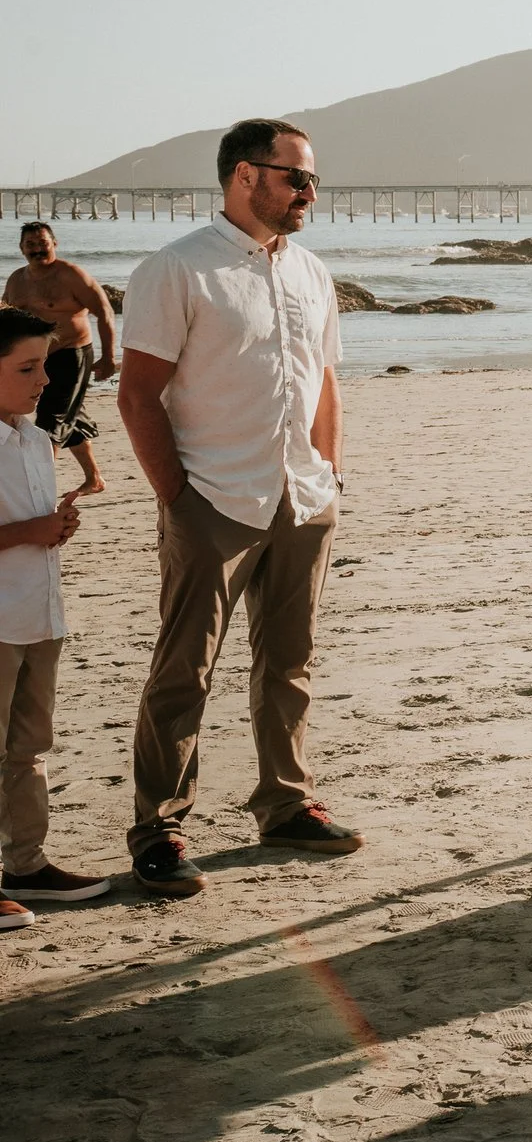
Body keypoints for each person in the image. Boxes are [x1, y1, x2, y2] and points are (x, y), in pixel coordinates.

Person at [117, 119, 359, 898]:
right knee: (184, 669)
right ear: (244, 176)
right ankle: (159, 827)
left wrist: (330, 476)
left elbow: (325, 384)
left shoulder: (313, 273)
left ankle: (284, 803)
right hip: (214, 498)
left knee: (289, 662)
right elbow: (137, 394)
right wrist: (177, 500)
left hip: (302, 495)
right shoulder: (178, 270)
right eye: (296, 178)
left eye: (313, 180)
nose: (309, 194)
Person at [0, 306, 109, 930]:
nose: (45, 380)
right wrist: (30, 530)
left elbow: (33, 530)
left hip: (40, 616)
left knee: (29, 749)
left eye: (45, 364)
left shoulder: (39, 439)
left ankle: (26, 865)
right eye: (27, 367)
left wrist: (53, 529)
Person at [5, 223, 117, 498]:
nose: (37, 249)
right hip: (36, 358)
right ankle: (94, 478)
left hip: (72, 353)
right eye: (30, 244)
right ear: (21, 249)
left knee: (50, 420)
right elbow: (5, 320)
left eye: (42, 242)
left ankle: (36, 491)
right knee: (70, 414)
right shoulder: (17, 280)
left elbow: (104, 312)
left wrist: (108, 357)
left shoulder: (71, 275)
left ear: (54, 243)